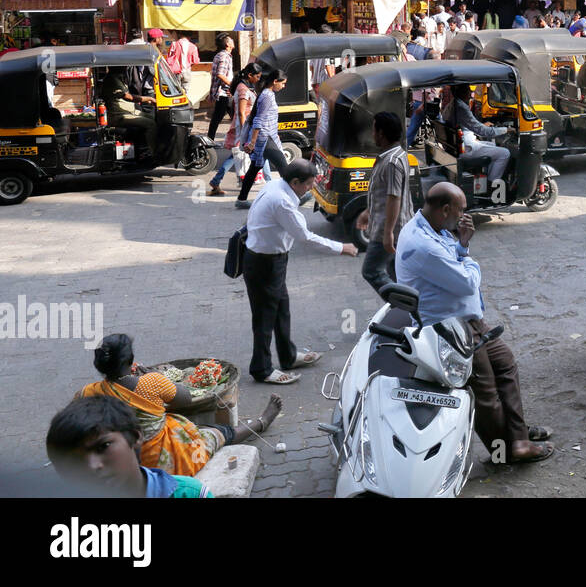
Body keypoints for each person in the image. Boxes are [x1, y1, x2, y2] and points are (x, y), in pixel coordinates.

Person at [396, 182, 554, 462]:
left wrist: (462, 243)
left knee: (505, 363)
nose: (464, 215)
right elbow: (467, 283)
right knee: (485, 391)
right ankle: (504, 452)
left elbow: (452, 263)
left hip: (469, 321)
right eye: (461, 210)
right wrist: (468, 257)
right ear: (445, 210)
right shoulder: (424, 245)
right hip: (449, 329)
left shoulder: (433, 227)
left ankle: (517, 436)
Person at [76, 334, 282, 475]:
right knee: (217, 433)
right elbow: (186, 398)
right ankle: (261, 422)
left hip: (120, 460)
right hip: (159, 457)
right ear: (131, 360)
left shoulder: (88, 392)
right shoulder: (152, 382)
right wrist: (154, 375)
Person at [244, 159, 358, 384]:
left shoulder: (277, 186)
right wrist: (341, 247)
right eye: (308, 184)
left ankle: (287, 355)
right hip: (264, 263)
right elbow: (305, 236)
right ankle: (262, 368)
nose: (310, 188)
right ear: (295, 182)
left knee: (281, 310)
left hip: (271, 260)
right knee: (265, 317)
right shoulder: (282, 201)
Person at [47, 395, 213, 498]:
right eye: (75, 461)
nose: (92, 467)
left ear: (135, 436)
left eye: (103, 447)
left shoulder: (189, 494)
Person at [356, 112, 415, 296]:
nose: (372, 134)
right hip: (390, 228)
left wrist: (388, 232)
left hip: (389, 230)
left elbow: (394, 197)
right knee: (396, 273)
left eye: (374, 129)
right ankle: (411, 311)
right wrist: (368, 211)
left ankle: (406, 307)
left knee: (371, 271)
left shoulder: (392, 162)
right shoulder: (392, 156)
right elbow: (382, 194)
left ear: (381, 133)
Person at [235, 69, 291, 208]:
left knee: (255, 168)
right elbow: (259, 120)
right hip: (263, 139)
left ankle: (241, 200)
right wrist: (253, 142)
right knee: (284, 167)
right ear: (275, 81)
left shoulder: (267, 94)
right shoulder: (267, 96)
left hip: (267, 137)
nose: (283, 87)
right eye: (282, 83)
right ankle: (296, 197)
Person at [209, 63, 262, 196]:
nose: (258, 79)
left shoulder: (244, 86)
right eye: (257, 76)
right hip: (244, 127)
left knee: (237, 155)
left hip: (245, 127)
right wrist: (245, 133)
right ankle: (249, 183)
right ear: (250, 75)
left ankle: (216, 181)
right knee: (251, 154)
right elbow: (241, 113)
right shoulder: (243, 89)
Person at [443, 84, 510, 186]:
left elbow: (469, 125)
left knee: (492, 146)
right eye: (468, 90)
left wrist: (482, 126)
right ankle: (492, 185)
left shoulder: (453, 104)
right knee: (504, 153)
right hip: (467, 148)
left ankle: (486, 179)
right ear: (462, 92)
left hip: (459, 144)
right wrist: (507, 129)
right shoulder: (461, 107)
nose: (471, 93)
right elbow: (483, 131)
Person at [101, 65, 157, 158]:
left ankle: (145, 148)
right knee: (151, 124)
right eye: (124, 66)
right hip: (119, 116)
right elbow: (128, 97)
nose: (126, 67)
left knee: (153, 118)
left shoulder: (118, 78)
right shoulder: (112, 79)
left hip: (128, 112)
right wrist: (149, 98)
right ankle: (153, 154)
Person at [207, 33, 235, 141]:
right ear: (228, 44)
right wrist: (233, 86)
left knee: (221, 117)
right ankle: (211, 140)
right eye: (231, 40)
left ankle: (211, 140)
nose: (233, 41)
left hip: (223, 92)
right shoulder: (224, 56)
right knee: (235, 117)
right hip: (224, 92)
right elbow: (220, 74)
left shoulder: (221, 55)